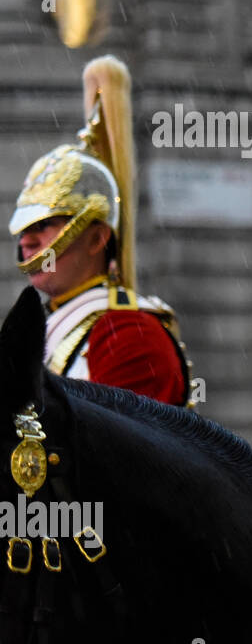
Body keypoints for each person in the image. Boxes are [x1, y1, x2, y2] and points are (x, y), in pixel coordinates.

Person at [10, 56, 191, 406]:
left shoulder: (128, 335)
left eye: (45, 225)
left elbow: (120, 456)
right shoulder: (43, 325)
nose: (28, 242)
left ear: (97, 238)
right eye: (26, 228)